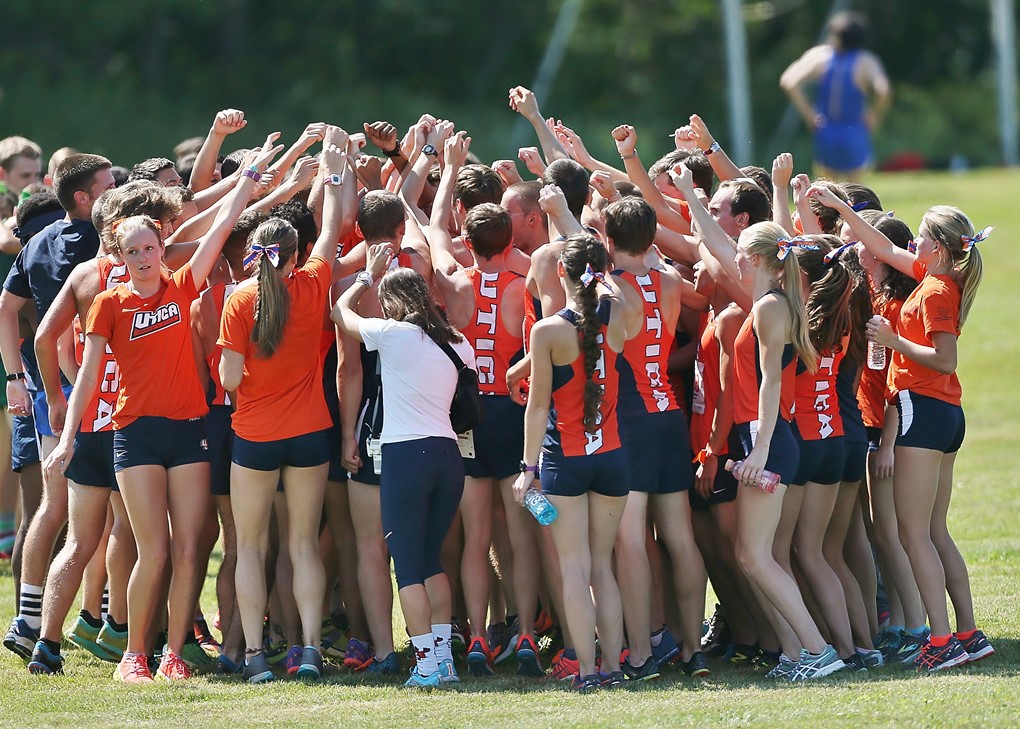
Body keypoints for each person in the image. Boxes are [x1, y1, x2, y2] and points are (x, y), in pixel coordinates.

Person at [42, 133, 283, 683]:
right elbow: (88, 373)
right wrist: (70, 436)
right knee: (152, 549)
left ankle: (174, 652)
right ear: (119, 256)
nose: (144, 258)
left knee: (188, 549)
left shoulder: (181, 287)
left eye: (150, 248)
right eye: (133, 252)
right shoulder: (107, 302)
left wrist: (256, 170)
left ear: (161, 248)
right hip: (133, 433)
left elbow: (222, 225)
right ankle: (135, 653)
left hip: (188, 431)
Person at [809, 187, 995, 671]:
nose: (911, 245)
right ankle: (968, 633)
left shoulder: (934, 290)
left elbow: (946, 357)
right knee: (934, 530)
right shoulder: (935, 275)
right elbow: (886, 248)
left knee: (914, 534)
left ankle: (940, 639)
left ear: (936, 246)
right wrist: (841, 206)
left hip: (921, 407)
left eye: (921, 240)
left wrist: (894, 341)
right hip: (943, 413)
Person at [217, 126, 351, 683]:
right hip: (311, 432)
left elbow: (228, 378)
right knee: (302, 544)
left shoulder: (240, 298)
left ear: (255, 254)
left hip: (254, 433)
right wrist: (334, 167)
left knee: (250, 545)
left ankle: (254, 656)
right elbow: (333, 227)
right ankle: (313, 650)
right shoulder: (315, 280)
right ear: (294, 254)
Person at [424, 132, 543, 677]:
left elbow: (433, 231)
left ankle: (475, 638)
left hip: (468, 414)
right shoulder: (528, 277)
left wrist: (448, 172)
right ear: (510, 235)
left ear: (470, 240)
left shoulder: (457, 279)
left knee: (475, 537)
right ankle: (523, 635)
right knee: (519, 537)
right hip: (515, 413)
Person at [333, 244, 475, 689]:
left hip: (406, 456)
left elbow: (340, 313)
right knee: (431, 562)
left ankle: (428, 663)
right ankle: (441, 661)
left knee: (410, 567)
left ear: (394, 303)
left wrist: (365, 276)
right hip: (448, 456)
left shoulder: (391, 334)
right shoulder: (457, 340)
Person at [1, 154, 115, 661]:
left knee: (54, 508)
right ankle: (106, 618)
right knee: (107, 511)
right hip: (92, 391)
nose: (118, 191)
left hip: (53, 392)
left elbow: (6, 310)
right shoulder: (102, 244)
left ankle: (26, 620)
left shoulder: (40, 240)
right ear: (85, 198)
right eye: (109, 186)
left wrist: (15, 377)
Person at [512, 233, 631, 692]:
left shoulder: (547, 331)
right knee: (603, 566)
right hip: (613, 457)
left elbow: (538, 406)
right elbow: (618, 305)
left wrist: (527, 470)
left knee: (575, 570)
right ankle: (615, 669)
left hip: (566, 461)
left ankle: (586, 672)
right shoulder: (616, 314)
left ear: (561, 272)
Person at [780, 11, 891, 181]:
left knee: (825, 191)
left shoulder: (820, 56)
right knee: (855, 190)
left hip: (826, 129)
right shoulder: (865, 61)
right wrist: (874, 116)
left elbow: (788, 81)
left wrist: (810, 116)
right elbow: (883, 91)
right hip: (854, 129)